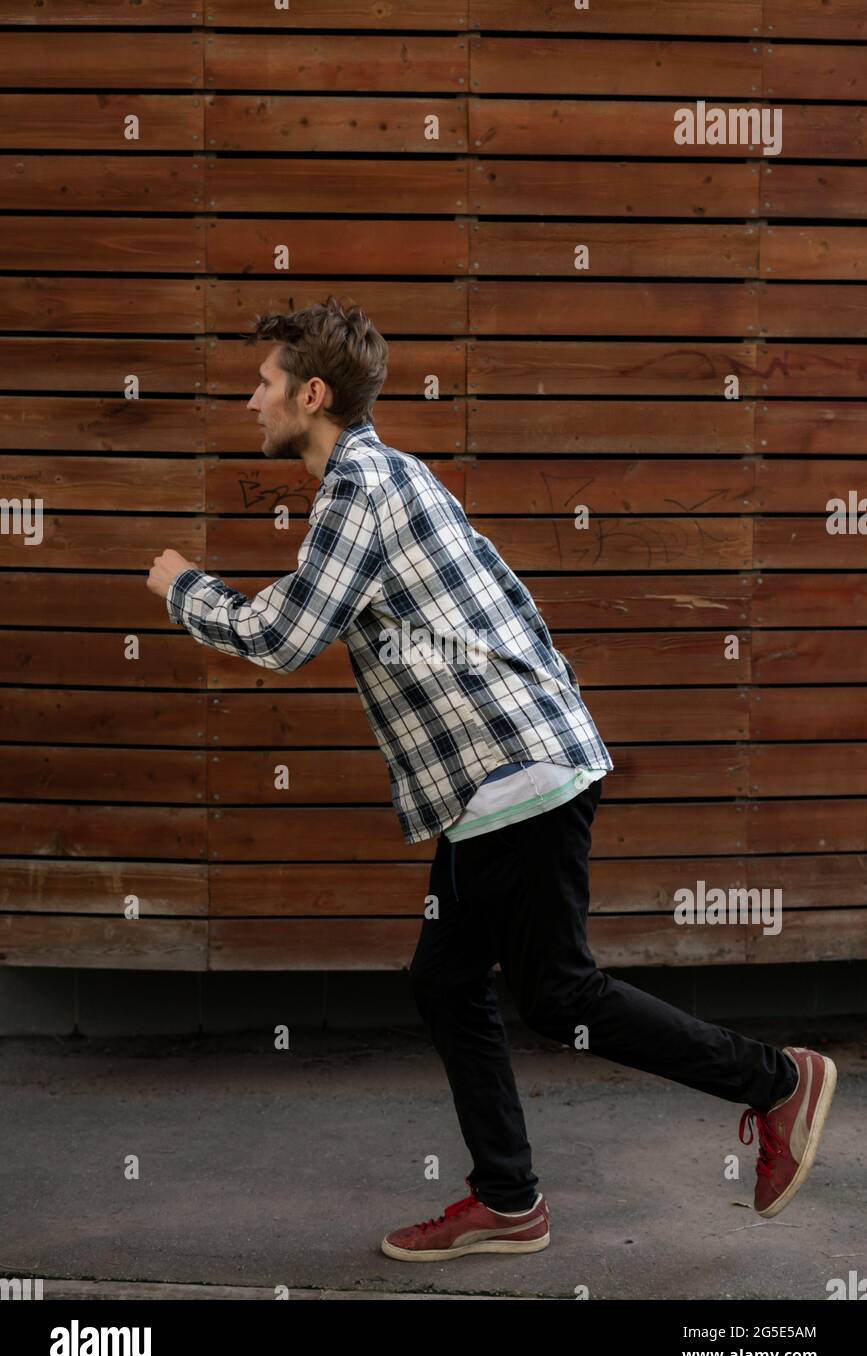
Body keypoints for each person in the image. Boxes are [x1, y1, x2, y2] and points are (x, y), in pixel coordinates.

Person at [146, 296, 837, 1263]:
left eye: (262, 383)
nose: (248, 400)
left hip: (512, 774)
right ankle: (508, 1200)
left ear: (310, 392)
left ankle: (774, 1083)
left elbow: (285, 636)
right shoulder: (389, 478)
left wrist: (182, 586)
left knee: (554, 993)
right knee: (451, 979)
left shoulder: (360, 484)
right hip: (510, 770)